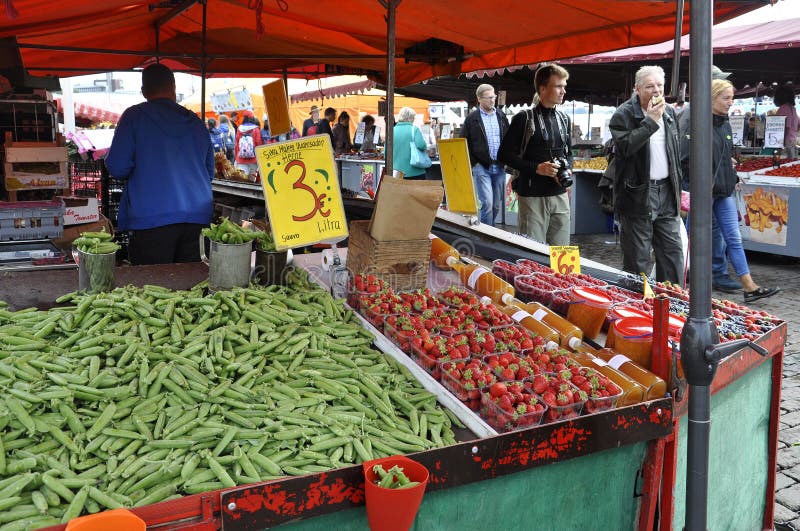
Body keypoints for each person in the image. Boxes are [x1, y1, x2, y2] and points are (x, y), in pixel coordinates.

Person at [680, 79, 779, 303]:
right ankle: (681, 283)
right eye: (726, 98)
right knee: (689, 239)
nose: (730, 102)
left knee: (733, 238)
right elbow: (684, 157)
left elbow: (725, 158)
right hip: (702, 192)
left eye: (731, 98)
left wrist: (732, 177)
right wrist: (694, 185)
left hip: (723, 192)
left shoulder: (724, 123)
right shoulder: (697, 122)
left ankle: (749, 286)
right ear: (712, 98)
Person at [106, 63, 213, 265]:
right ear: (173, 87)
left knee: (153, 288)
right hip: (197, 218)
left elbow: (118, 167)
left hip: (151, 220)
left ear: (144, 91)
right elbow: (209, 172)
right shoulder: (195, 122)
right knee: (193, 286)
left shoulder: (134, 117)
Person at [608, 65, 684, 285]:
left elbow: (674, 152)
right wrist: (650, 121)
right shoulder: (623, 114)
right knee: (637, 259)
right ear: (637, 89)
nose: (656, 90)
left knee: (672, 254)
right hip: (638, 192)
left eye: (659, 85)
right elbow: (624, 147)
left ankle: (670, 305)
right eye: (650, 86)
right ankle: (636, 307)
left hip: (667, 191)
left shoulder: (669, 112)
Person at [678, 65, 740, 293]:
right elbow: (685, 153)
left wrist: (727, 169)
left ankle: (708, 271)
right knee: (704, 229)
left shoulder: (712, 114)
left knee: (712, 230)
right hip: (700, 185)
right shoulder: (693, 113)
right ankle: (710, 272)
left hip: (714, 185)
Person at [498, 64, 572, 244]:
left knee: (562, 253)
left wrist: (567, 169)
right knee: (533, 252)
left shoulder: (564, 119)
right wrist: (537, 168)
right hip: (532, 196)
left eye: (564, 86)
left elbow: (569, 154)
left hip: (559, 194)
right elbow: (504, 155)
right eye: (558, 86)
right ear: (542, 88)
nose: (563, 91)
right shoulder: (524, 118)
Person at [461, 84, 510, 226]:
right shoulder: (472, 118)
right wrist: (474, 163)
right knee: (487, 204)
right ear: (479, 99)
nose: (492, 100)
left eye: (493, 97)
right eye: (489, 98)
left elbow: (508, 139)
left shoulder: (501, 115)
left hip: (499, 166)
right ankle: (487, 237)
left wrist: (508, 159)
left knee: (495, 205)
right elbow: (463, 141)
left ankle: (488, 229)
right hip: (481, 166)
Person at [392, 106, 428, 180]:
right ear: (410, 118)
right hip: (415, 171)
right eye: (413, 117)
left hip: (397, 172)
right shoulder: (414, 129)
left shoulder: (391, 130)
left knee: (400, 191)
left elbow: (386, 152)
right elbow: (422, 145)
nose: (414, 119)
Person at [234, 111, 263, 179]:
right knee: (252, 179)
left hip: (241, 158)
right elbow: (258, 144)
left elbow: (236, 145)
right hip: (254, 159)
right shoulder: (256, 129)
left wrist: (236, 156)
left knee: (242, 179)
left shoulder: (239, 129)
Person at [773, 84, 799, 159]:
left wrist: (780, 143)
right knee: (791, 164)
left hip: (784, 142)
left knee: (783, 164)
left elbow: (785, 127)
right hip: (792, 140)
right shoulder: (793, 108)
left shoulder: (783, 108)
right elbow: (797, 126)